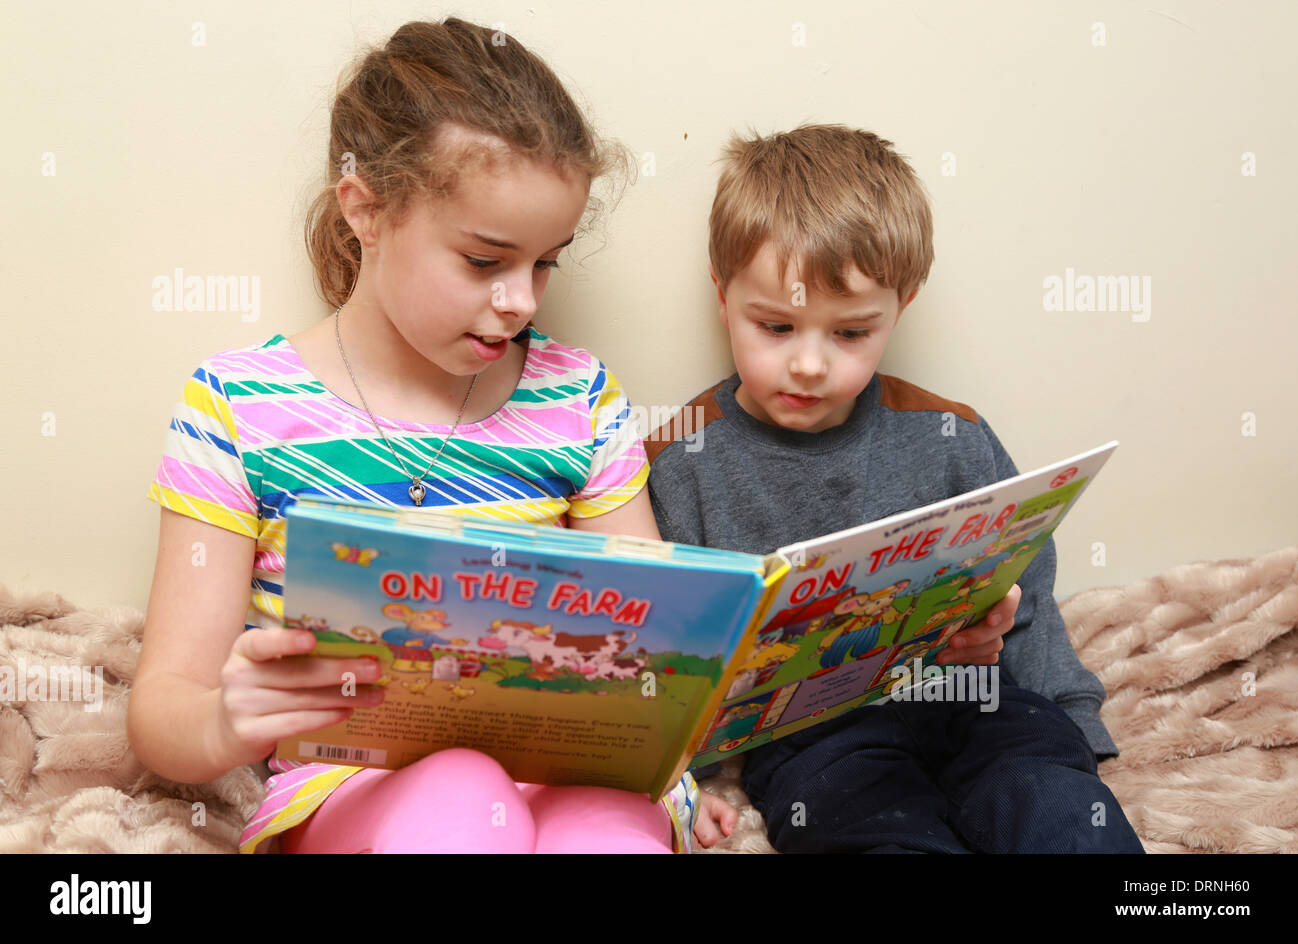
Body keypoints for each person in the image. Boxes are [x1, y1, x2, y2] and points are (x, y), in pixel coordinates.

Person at [128, 17, 736, 854]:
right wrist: (223, 720)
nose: (522, 299)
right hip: (362, 788)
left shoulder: (581, 398)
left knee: (611, 839)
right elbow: (164, 709)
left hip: (570, 770)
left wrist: (681, 756)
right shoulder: (239, 405)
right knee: (457, 792)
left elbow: (652, 649)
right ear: (366, 211)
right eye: (486, 262)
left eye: (546, 261)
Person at [647, 124, 1144, 853]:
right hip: (820, 739)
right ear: (724, 297)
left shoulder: (950, 436)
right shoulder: (683, 463)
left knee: (1055, 804)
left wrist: (1073, 718)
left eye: (849, 334)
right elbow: (679, 652)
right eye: (777, 326)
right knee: (877, 833)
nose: (810, 364)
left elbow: (1028, 587)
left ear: (900, 307)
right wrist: (710, 777)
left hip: (980, 703)